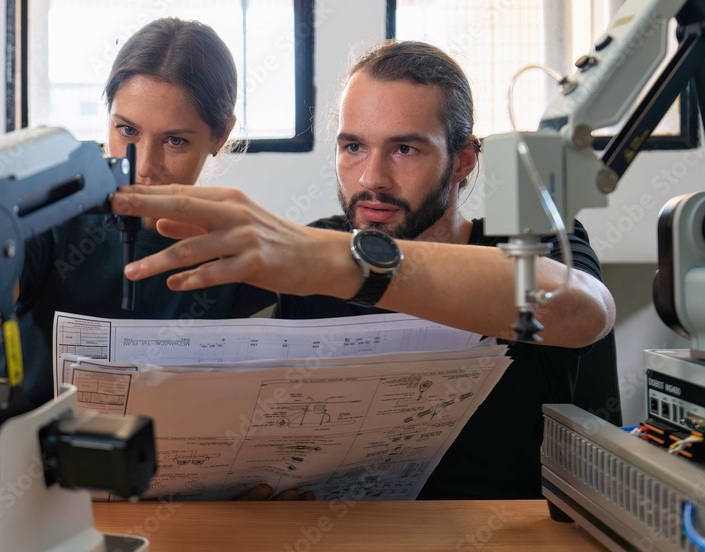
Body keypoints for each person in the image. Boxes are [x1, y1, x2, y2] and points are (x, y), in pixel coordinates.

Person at [110, 40, 617, 500]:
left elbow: (582, 310)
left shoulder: (528, 239)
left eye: (404, 149)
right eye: (353, 147)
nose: (372, 178)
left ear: (463, 160)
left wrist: (349, 262)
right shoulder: (315, 250)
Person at [0, 17, 277, 410]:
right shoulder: (50, 221)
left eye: (176, 141)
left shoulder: (242, 247)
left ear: (220, 135)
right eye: (126, 131)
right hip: (32, 484)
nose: (143, 165)